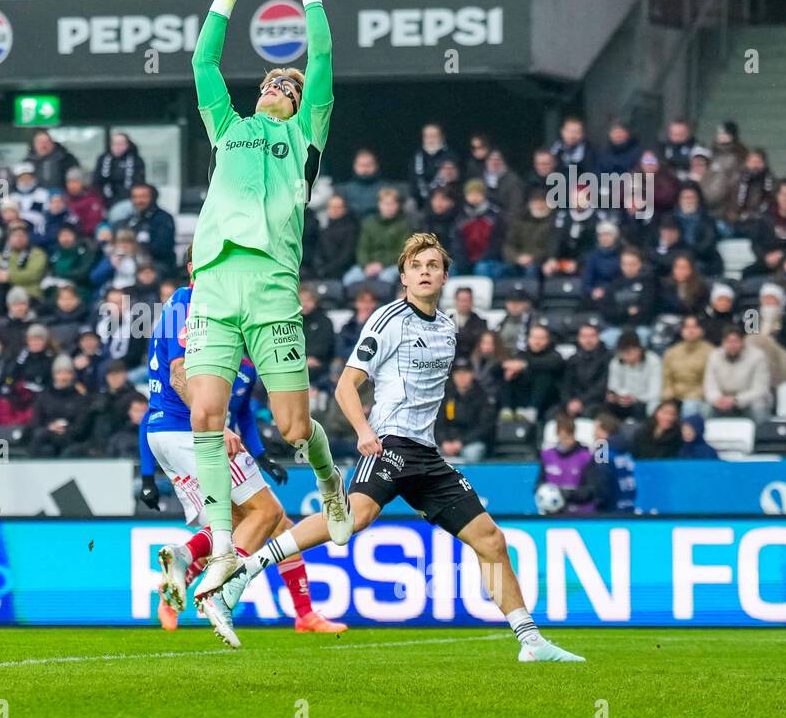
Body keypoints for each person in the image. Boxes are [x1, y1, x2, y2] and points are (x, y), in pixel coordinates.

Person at [216, 234, 583, 661]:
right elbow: (346, 386)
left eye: (433, 265)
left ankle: (531, 642)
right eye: (417, 266)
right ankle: (248, 570)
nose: (425, 271)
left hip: (425, 453)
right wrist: (363, 431)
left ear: (445, 276)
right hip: (388, 442)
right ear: (404, 277)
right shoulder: (388, 319)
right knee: (353, 519)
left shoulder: (447, 327)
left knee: (491, 540)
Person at [186, 0, 350, 600]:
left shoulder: (307, 137)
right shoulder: (227, 126)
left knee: (290, 428)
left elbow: (326, 58)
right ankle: (223, 546)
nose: (285, 83)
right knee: (204, 413)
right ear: (259, 93)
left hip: (273, 286)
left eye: (294, 81)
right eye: (274, 80)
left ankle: (330, 481)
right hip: (216, 284)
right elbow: (202, 61)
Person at [140, 264, 343, 640]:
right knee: (269, 513)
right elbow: (179, 374)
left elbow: (244, 410)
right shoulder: (190, 305)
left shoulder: (204, 314)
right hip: (188, 431)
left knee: (261, 523)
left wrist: (261, 454)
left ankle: (302, 613)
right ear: (193, 269)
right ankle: (209, 583)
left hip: (175, 433)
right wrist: (214, 427)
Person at [703, 326, 772, 422]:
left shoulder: (757, 356)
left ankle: (759, 436)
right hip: (723, 399)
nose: (732, 345)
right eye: (728, 341)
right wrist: (717, 399)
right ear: (723, 342)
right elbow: (710, 385)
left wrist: (736, 400)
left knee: (758, 407)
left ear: (743, 342)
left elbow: (760, 389)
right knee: (705, 409)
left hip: (749, 399)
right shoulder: (714, 356)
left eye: (735, 341)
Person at [537, 414, 595, 514]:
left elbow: (590, 490)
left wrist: (567, 494)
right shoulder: (547, 456)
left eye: (570, 436)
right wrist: (546, 492)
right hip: (552, 512)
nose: (568, 441)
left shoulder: (585, 457)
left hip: (578, 512)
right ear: (557, 434)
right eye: (563, 437)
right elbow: (539, 483)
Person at [605, 330, 661, 420]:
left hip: (644, 401)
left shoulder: (653, 361)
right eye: (622, 353)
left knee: (647, 406)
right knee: (608, 404)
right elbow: (613, 386)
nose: (625, 357)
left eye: (628, 353)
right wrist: (618, 396)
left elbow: (655, 392)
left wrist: (635, 398)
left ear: (638, 349)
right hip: (624, 400)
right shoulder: (616, 361)